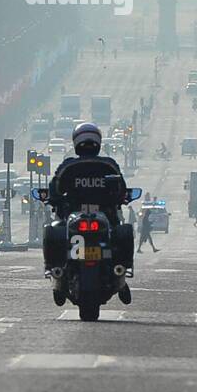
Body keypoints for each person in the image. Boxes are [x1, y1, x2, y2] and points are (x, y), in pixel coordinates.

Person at [43, 122, 135, 303]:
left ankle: (55, 271)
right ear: (98, 142)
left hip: (73, 218)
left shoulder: (68, 167)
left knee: (52, 231)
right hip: (106, 218)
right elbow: (122, 191)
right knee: (123, 232)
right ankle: (121, 272)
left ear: (76, 142)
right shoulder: (109, 165)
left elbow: (54, 190)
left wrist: (54, 200)